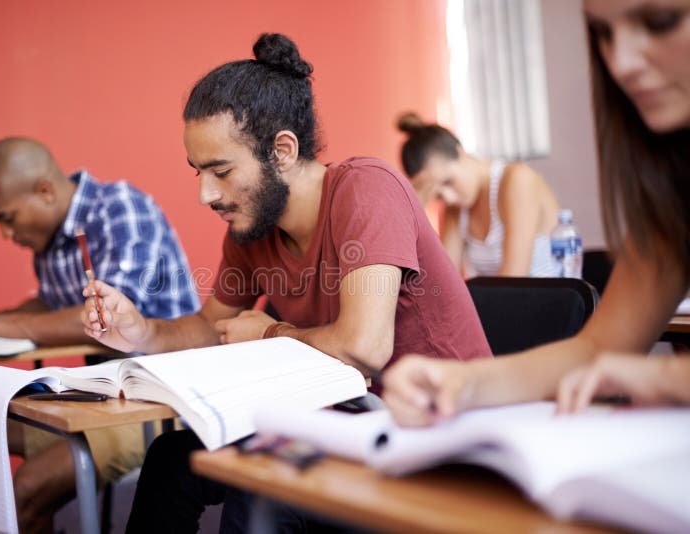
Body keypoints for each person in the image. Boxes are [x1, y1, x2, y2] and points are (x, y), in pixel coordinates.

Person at [81, 33, 491, 532]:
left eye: (222, 171)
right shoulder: (253, 225)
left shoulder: (366, 189)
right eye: (198, 173)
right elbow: (213, 327)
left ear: (282, 150)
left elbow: (365, 348)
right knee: (173, 460)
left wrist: (270, 334)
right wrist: (141, 332)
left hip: (440, 436)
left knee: (262, 490)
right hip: (349, 421)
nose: (205, 194)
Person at [383, 0, 690, 428]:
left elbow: (507, 285)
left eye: (661, 22)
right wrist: (464, 381)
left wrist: (666, 376)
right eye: (602, 33)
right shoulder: (671, 192)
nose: (622, 63)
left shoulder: (515, 181)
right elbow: (594, 350)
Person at [0, 137, 200, 533]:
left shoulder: (119, 207)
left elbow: (106, 321)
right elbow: (54, 306)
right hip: (96, 394)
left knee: (26, 490)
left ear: (44, 190)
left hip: (158, 400)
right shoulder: (50, 241)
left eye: (7, 217)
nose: (6, 234)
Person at [396, 113, 560, 277]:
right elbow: (439, 282)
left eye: (448, 182)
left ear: (460, 152)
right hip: (501, 302)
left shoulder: (518, 179)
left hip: (549, 300)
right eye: (437, 195)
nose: (449, 198)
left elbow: (514, 280)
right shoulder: (457, 208)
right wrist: (417, 210)